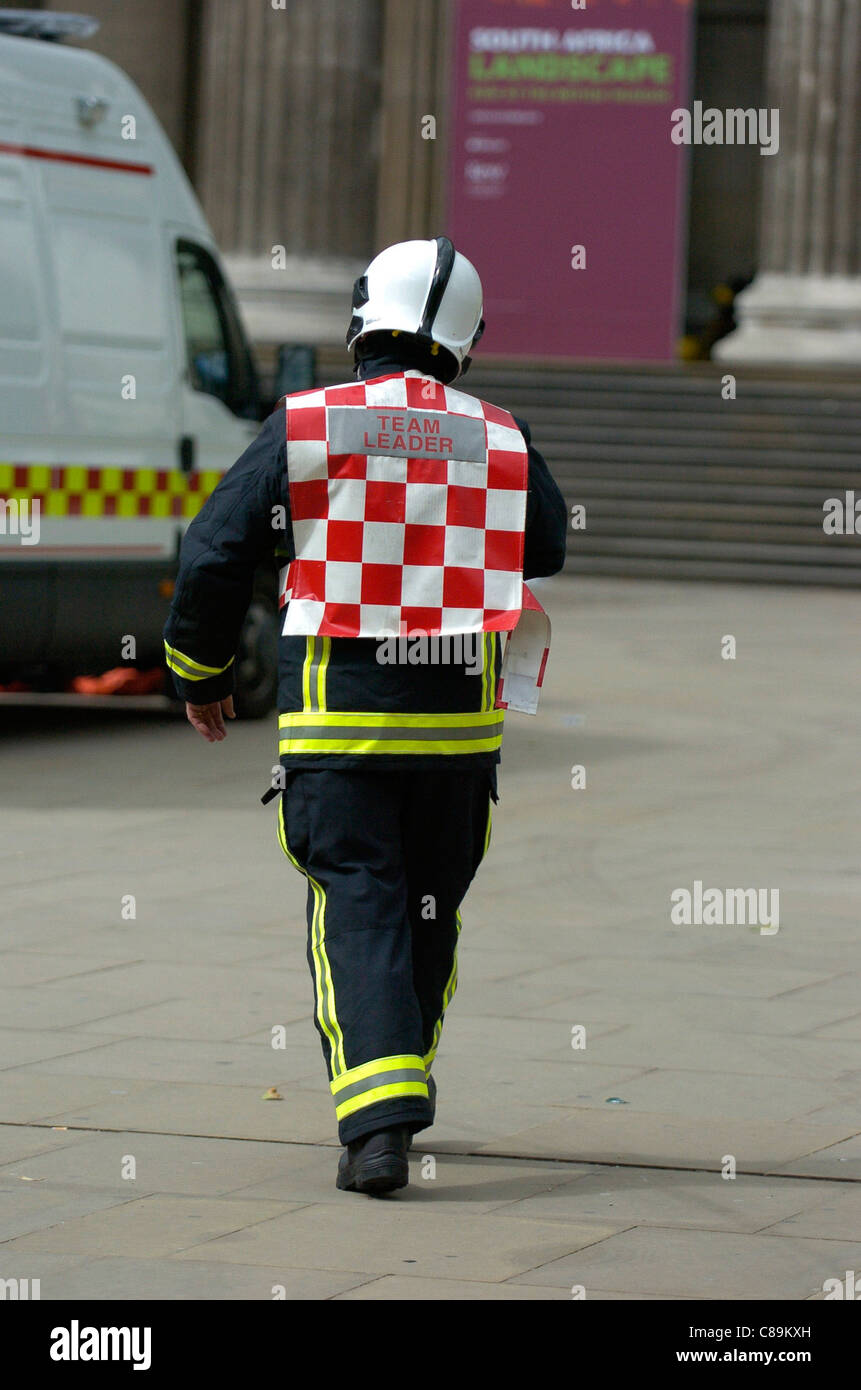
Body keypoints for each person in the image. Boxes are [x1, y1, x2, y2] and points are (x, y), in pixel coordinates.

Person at [164, 237, 567, 1195]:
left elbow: (216, 550)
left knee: (359, 904)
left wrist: (197, 667)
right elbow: (545, 545)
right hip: (457, 741)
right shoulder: (497, 433)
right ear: (464, 339)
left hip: (340, 729)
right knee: (428, 910)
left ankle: (376, 1124)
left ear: (360, 318)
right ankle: (395, 1098)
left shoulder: (306, 423)